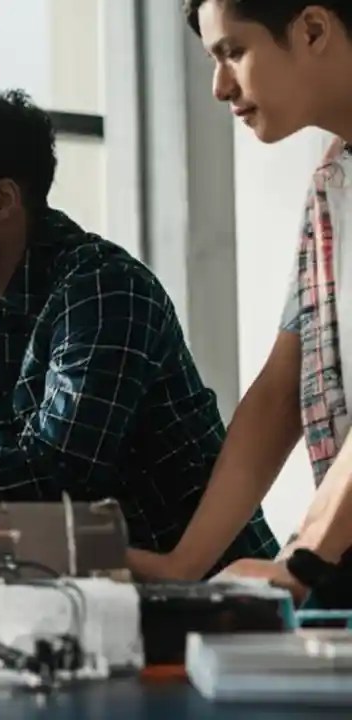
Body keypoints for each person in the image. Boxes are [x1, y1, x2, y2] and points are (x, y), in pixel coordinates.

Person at [0, 84, 278, 568]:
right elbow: (7, 491)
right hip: (93, 592)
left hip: (212, 592)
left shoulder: (104, 289)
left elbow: (59, 483)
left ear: (3, 200)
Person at [129, 0, 352, 606]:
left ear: (312, 30)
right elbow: (280, 390)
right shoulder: (331, 182)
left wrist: (303, 560)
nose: (219, 86)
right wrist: (183, 564)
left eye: (234, 52)